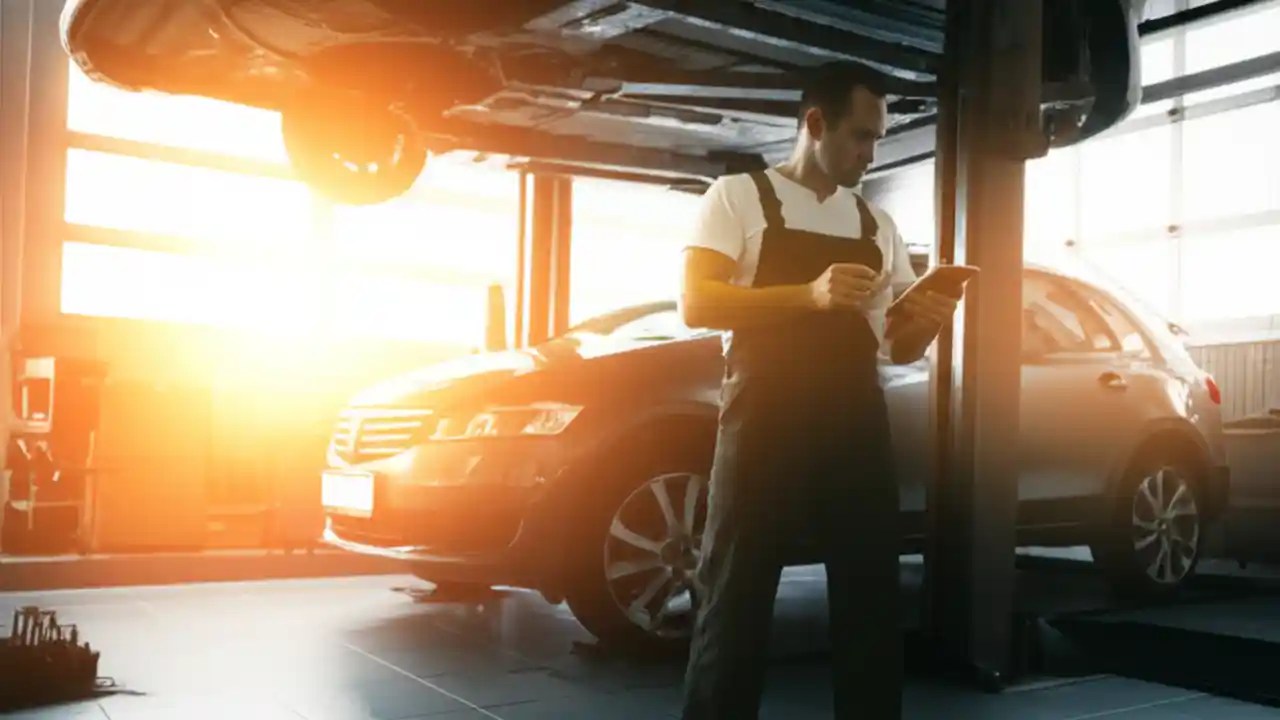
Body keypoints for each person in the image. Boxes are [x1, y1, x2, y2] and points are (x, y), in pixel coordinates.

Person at [678, 61, 961, 719]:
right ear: (814, 124)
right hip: (763, 418)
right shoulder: (738, 197)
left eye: (878, 140)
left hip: (856, 422)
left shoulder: (875, 226)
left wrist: (928, 323)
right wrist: (808, 295)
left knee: (870, 601)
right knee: (735, 594)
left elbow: (895, 347)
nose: (871, 153)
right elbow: (697, 302)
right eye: (860, 137)